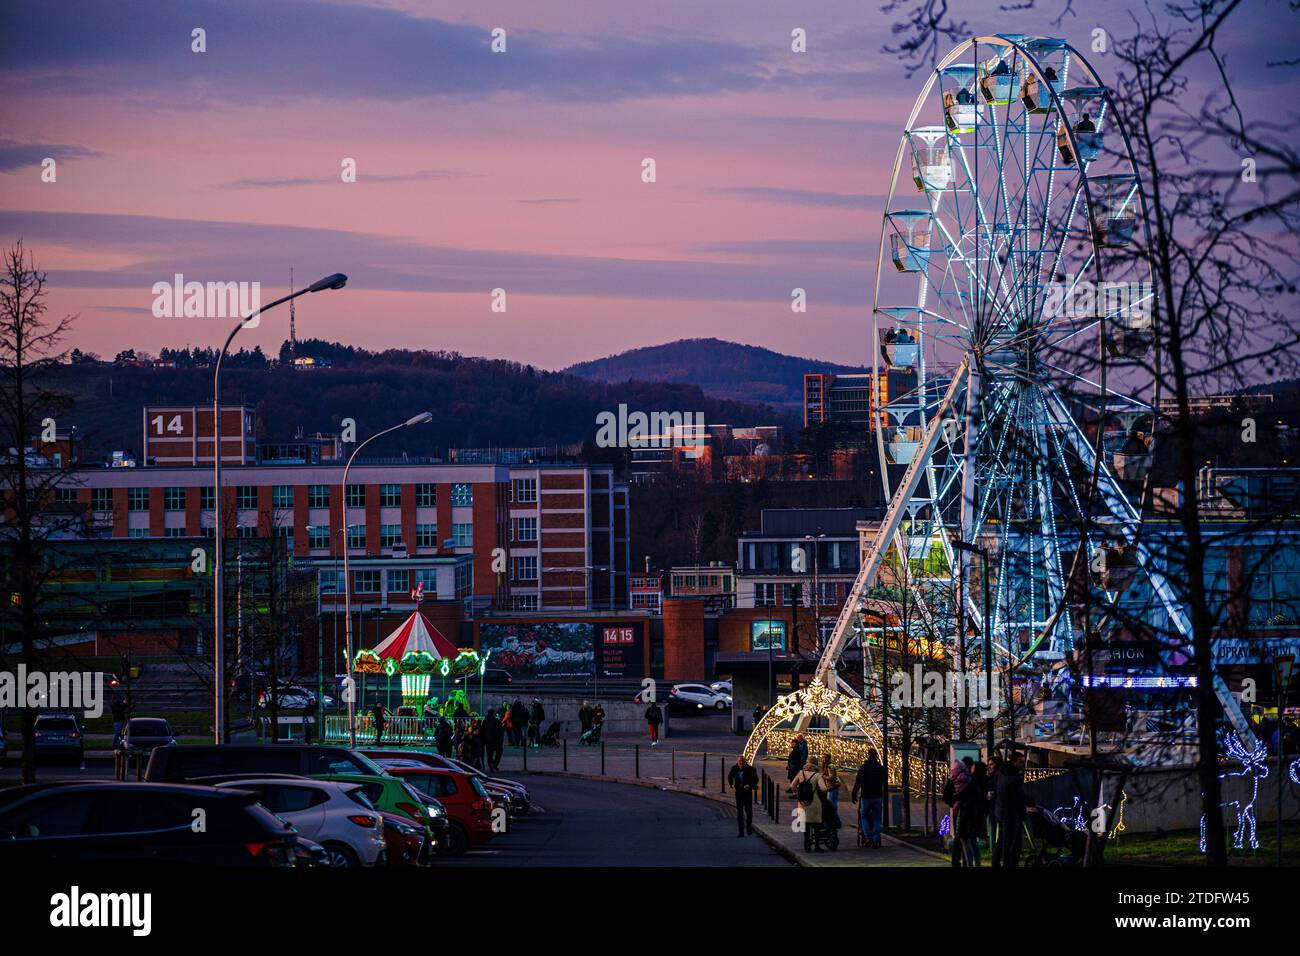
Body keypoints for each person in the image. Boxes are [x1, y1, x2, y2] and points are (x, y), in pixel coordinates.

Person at [993, 751, 1027, 867]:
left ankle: (996, 863)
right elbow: (1019, 796)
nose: (1023, 764)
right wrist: (1030, 801)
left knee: (1002, 841)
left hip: (1001, 812)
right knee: (1012, 844)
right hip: (1011, 814)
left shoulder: (1001, 773)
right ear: (1013, 762)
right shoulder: (1014, 778)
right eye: (1020, 762)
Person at [851, 748, 886, 848]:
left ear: (868, 755)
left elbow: (858, 782)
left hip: (866, 796)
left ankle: (866, 837)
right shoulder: (881, 768)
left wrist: (854, 794)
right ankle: (876, 838)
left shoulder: (864, 768)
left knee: (864, 816)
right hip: (878, 795)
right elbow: (884, 781)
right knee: (876, 818)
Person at [791, 761, 823, 851]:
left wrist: (798, 794)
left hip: (803, 803)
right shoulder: (817, 775)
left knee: (805, 825)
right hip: (814, 801)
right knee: (816, 825)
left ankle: (807, 846)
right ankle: (816, 846)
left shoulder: (801, 773)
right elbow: (824, 788)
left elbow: (792, 785)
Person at [728, 756, 759, 837]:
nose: (740, 762)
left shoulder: (750, 769)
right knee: (740, 813)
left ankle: (749, 827)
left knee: (749, 812)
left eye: (742, 761)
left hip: (747, 793)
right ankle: (741, 831)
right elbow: (730, 776)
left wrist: (750, 785)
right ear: (737, 761)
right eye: (739, 761)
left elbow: (756, 779)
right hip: (739, 792)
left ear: (744, 761)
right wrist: (731, 784)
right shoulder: (734, 768)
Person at [819, 756, 842, 829]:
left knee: (832, 805)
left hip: (833, 787)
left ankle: (836, 821)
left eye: (826, 758)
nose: (824, 759)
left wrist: (824, 777)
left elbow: (831, 776)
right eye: (823, 757)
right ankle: (835, 820)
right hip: (830, 787)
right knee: (831, 805)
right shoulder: (826, 765)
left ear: (829, 758)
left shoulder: (830, 765)